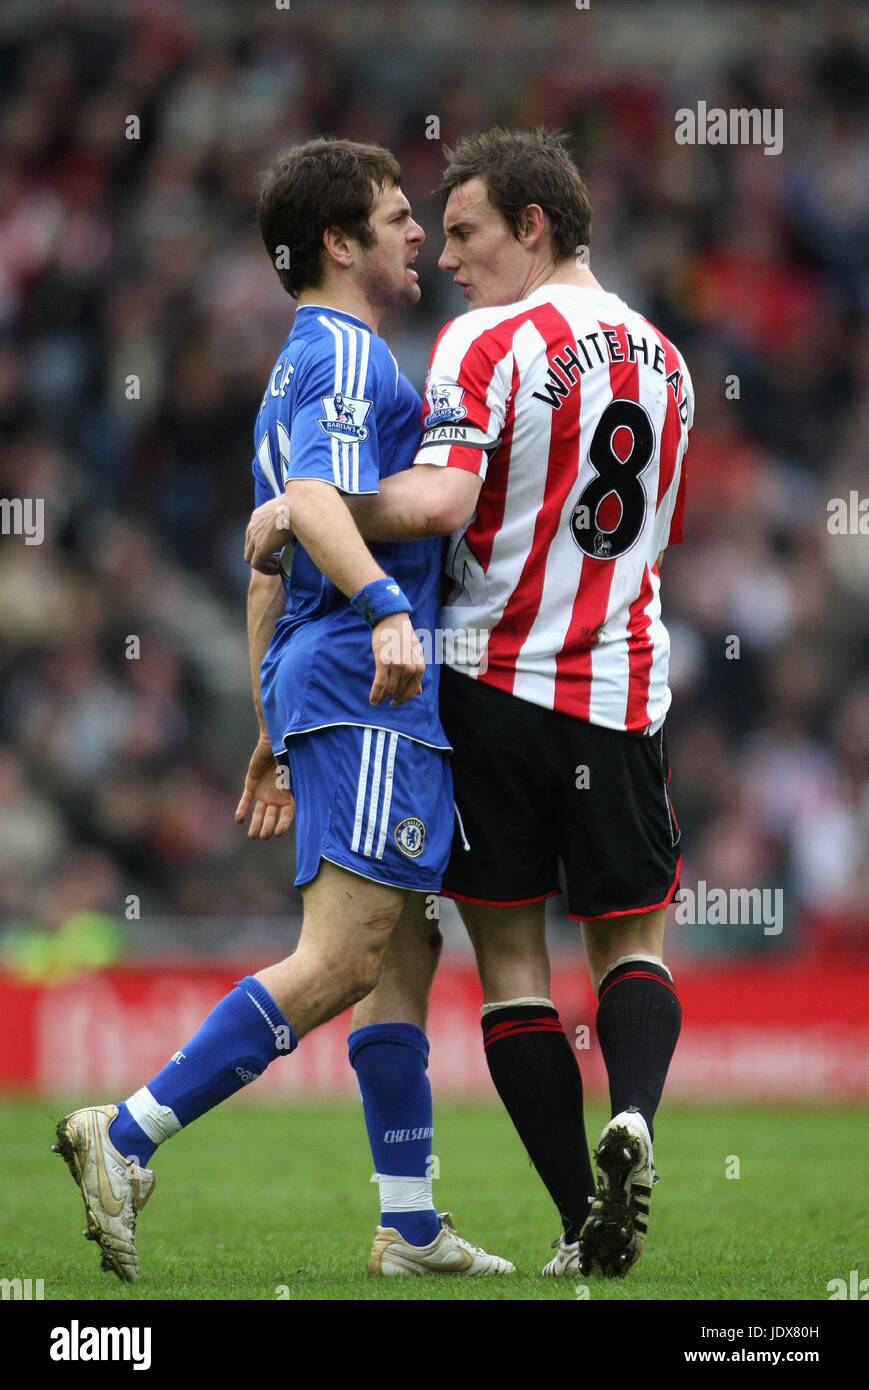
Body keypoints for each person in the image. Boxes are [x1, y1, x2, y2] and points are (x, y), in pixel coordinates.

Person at [53, 138, 512, 1283]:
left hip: (321, 675)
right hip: (368, 673)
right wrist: (383, 611)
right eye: (398, 216)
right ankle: (124, 1131)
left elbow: (267, 561)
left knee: (400, 940)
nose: (419, 235)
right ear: (337, 245)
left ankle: (406, 1222)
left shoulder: (299, 361)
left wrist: (266, 720)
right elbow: (311, 503)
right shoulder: (351, 357)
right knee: (347, 951)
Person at [247, 126, 693, 1280]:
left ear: (532, 226)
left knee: (508, 966)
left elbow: (442, 502)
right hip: (618, 687)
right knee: (632, 940)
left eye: (464, 231)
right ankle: (633, 1113)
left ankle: (568, 1221)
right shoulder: (668, 361)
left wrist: (315, 506)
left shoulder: (485, 340)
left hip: (490, 686)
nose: (443, 255)